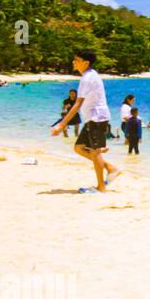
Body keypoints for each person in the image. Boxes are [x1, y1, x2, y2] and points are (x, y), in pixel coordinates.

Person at [51, 49, 121, 193]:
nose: (73, 62)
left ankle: (101, 188)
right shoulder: (89, 76)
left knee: (96, 153)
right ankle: (110, 168)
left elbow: (77, 104)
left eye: (76, 60)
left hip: (97, 118)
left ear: (86, 62)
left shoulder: (87, 78)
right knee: (79, 148)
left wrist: (62, 124)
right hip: (93, 118)